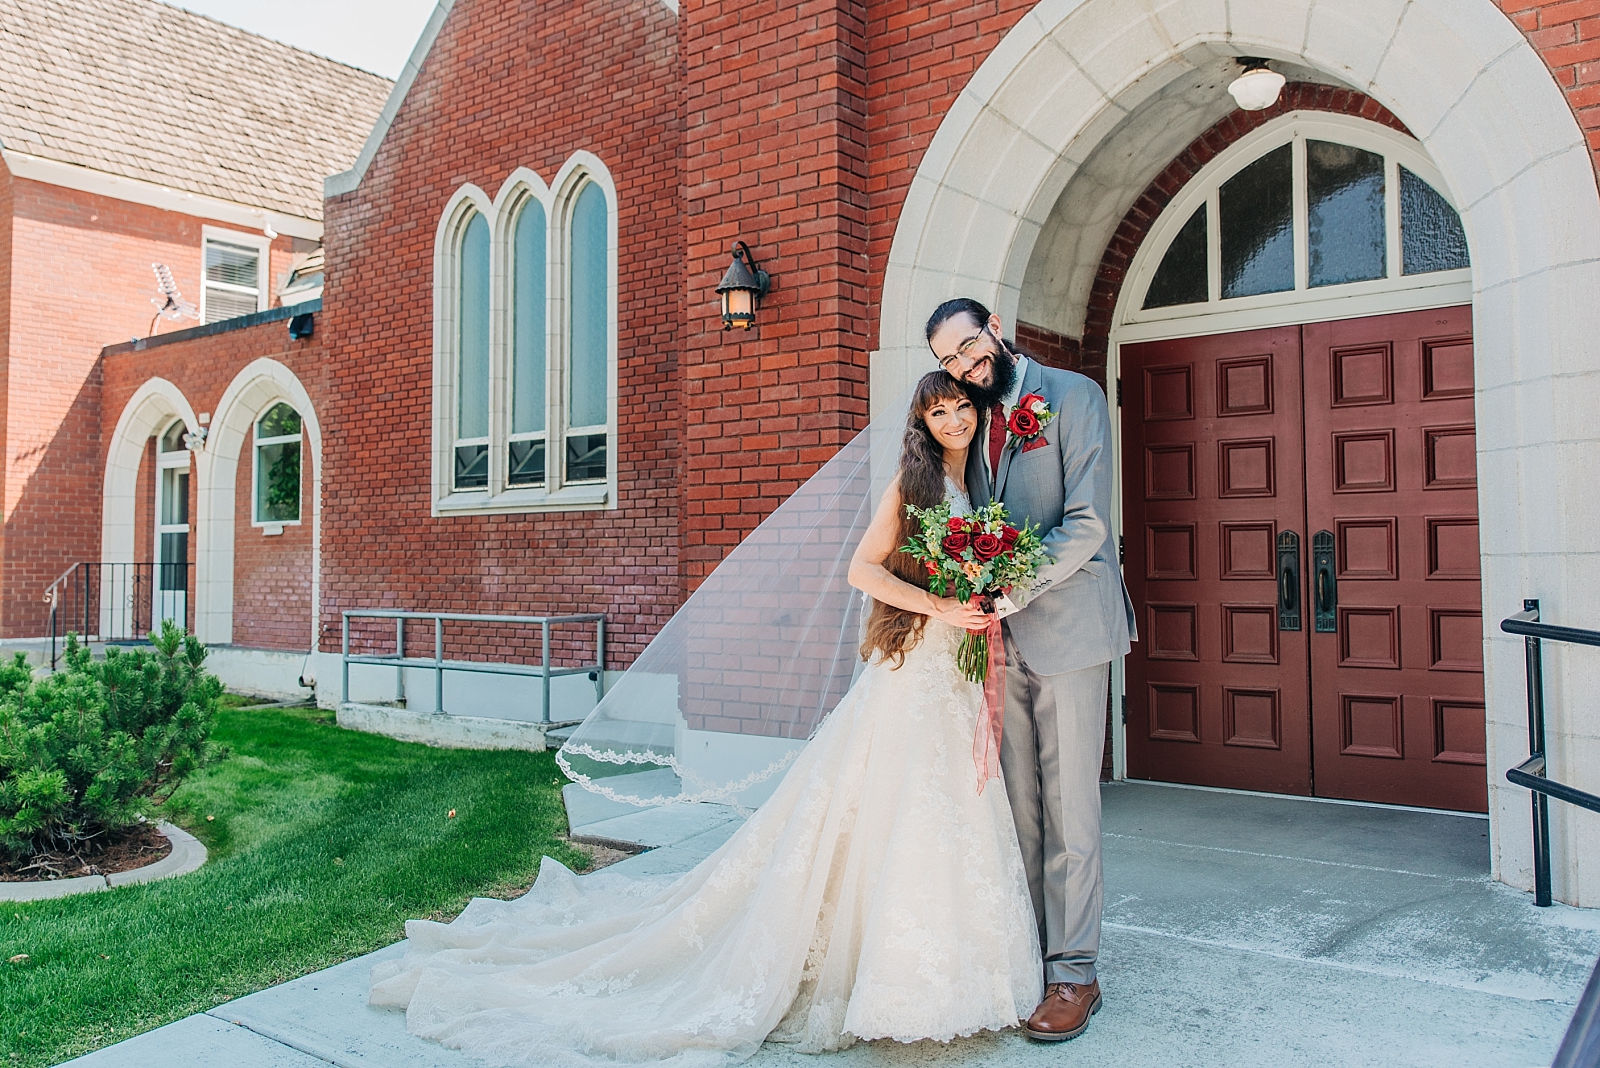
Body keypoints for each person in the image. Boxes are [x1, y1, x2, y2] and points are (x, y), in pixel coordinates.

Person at [369, 371, 1042, 1066]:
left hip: (952, 673)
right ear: (922, 421)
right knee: (899, 810)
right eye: (940, 410)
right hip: (913, 672)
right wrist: (940, 607)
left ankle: (956, 975)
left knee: (947, 809)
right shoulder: (913, 487)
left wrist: (988, 596)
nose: (955, 418)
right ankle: (895, 983)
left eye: (963, 406)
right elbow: (862, 570)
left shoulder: (979, 487)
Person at [926, 297, 1136, 1042]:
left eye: (969, 344)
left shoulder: (1073, 398)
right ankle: (1034, 956)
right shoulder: (969, 417)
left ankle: (1076, 974)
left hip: (1072, 631)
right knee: (1020, 808)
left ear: (995, 331)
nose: (964, 364)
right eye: (948, 359)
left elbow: (1087, 523)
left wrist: (1005, 585)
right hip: (999, 642)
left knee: (1073, 810)